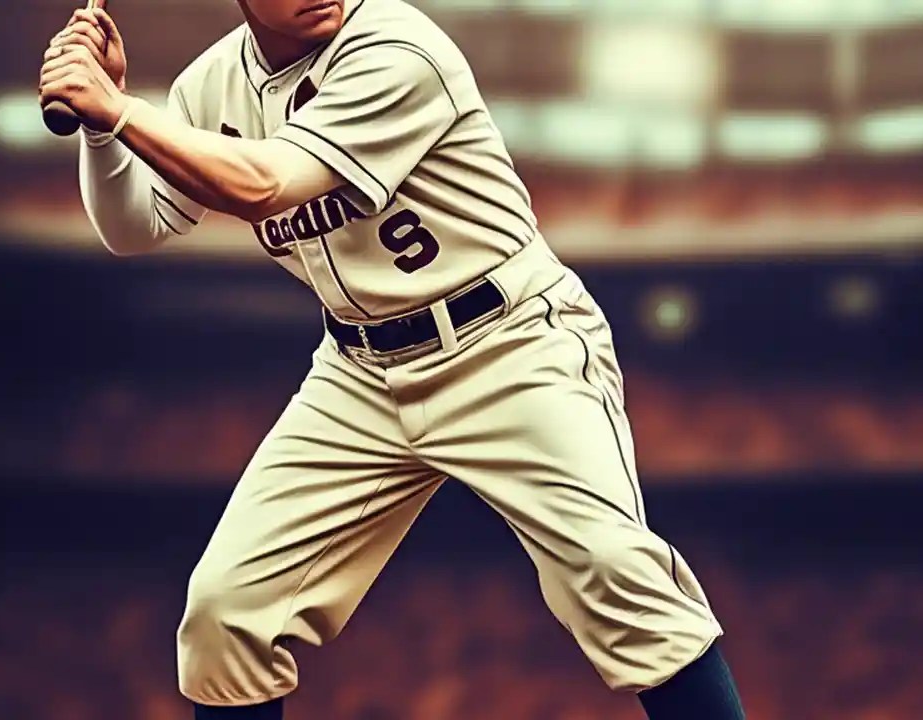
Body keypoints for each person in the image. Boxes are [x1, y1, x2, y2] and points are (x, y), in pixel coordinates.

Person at [38, 1, 746, 718]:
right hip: (357, 373)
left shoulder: (396, 46)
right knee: (227, 614)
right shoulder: (213, 84)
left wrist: (122, 110)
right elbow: (133, 228)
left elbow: (261, 186)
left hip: (506, 344)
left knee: (618, 575)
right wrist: (101, 131)